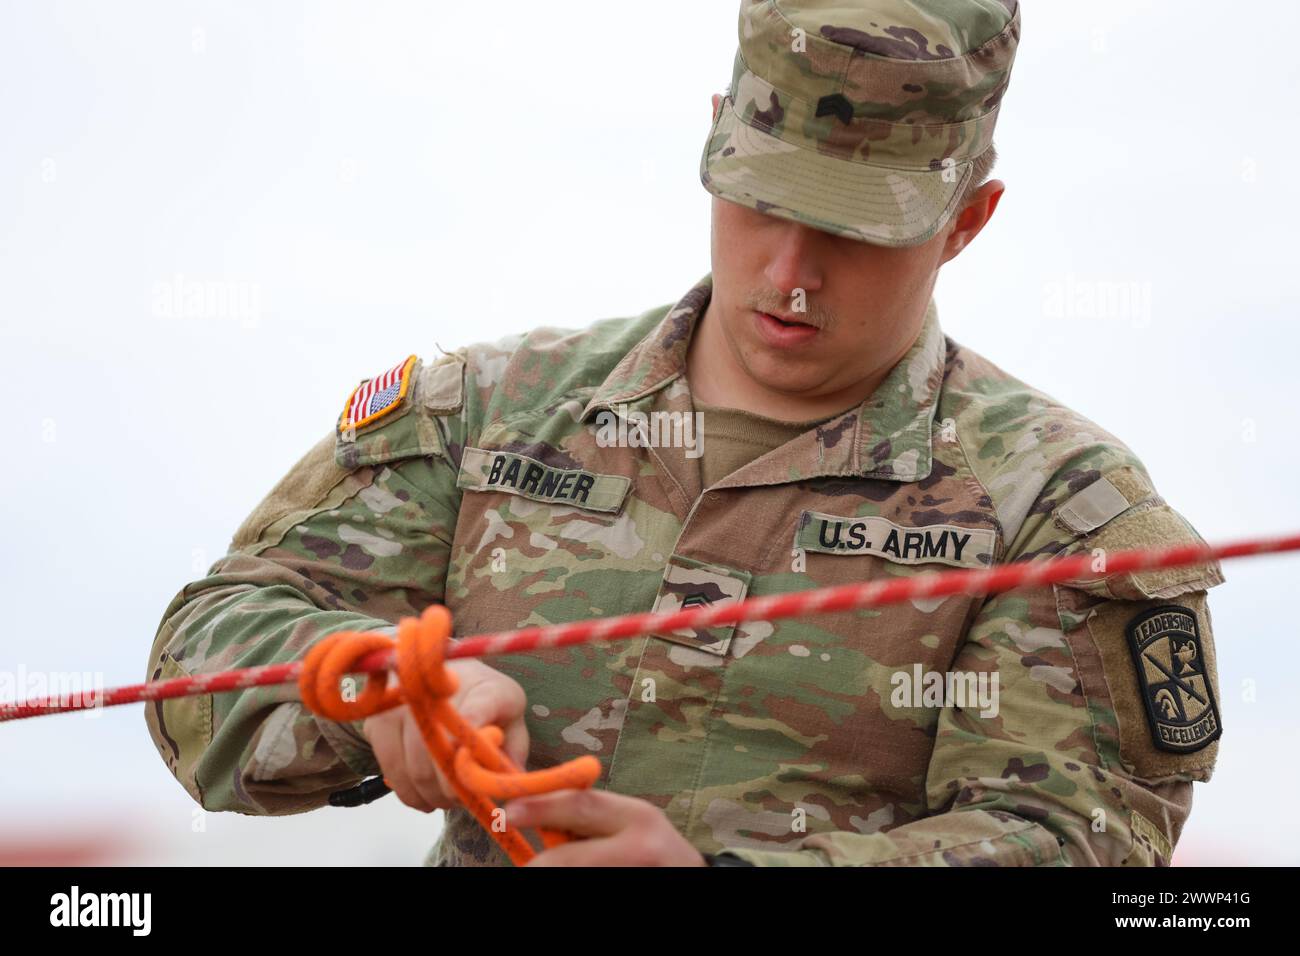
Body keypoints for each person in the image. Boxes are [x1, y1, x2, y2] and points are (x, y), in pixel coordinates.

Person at [145, 0, 1224, 867]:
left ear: (966, 221)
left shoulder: (1058, 507)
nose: (791, 273)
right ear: (715, 134)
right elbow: (201, 649)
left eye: (857, 228)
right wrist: (381, 688)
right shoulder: (487, 410)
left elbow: (1082, 842)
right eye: (763, 201)